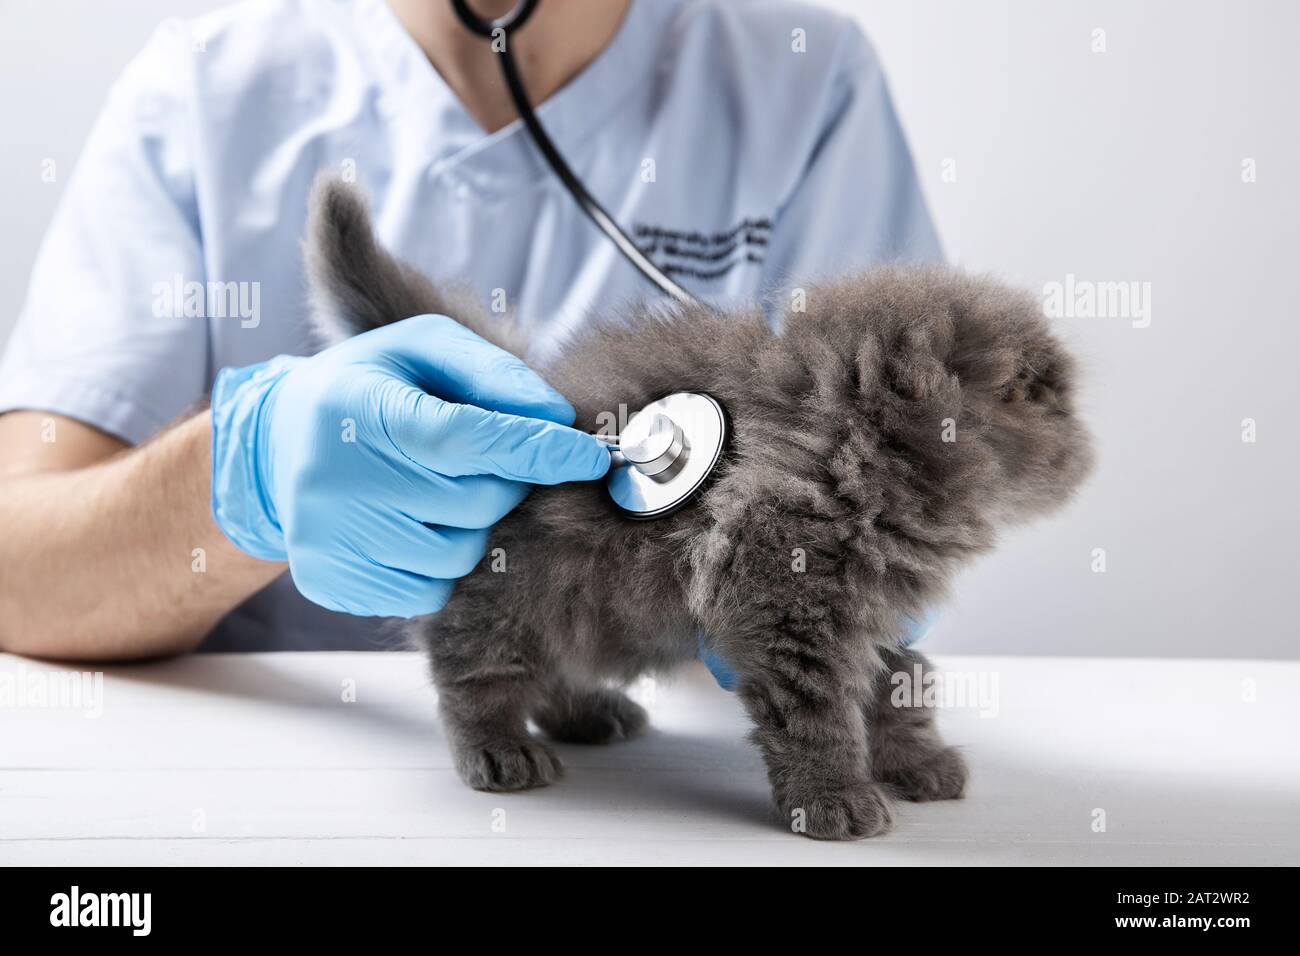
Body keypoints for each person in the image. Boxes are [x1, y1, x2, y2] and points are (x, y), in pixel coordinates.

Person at [0, 0, 941, 662]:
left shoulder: (805, 81)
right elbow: (20, 569)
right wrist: (246, 474)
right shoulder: (204, 90)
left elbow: (897, 481)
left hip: (656, 784)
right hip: (283, 773)